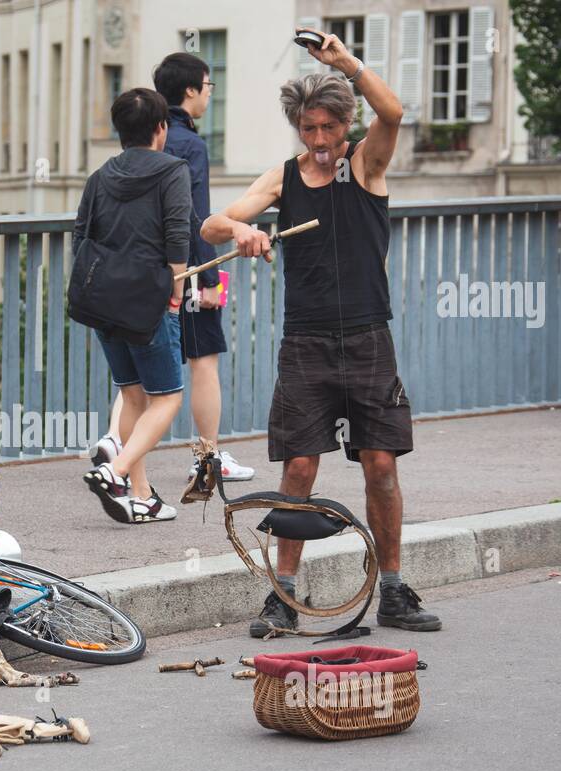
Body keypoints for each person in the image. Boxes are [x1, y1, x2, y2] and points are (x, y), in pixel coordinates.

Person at [202, 31, 440, 633]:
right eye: (308, 129)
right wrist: (240, 232)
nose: (319, 141)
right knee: (299, 469)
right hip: (305, 342)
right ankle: (283, 595)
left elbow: (395, 112)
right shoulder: (283, 178)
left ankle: (392, 588)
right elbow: (211, 224)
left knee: (381, 464)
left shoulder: (366, 163)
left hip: (367, 339)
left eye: (328, 128)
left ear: (344, 126)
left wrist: (347, 63)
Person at [89, 53, 256, 490]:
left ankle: (118, 451)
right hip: (178, 276)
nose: (209, 94)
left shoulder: (113, 165)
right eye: (208, 85)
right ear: (189, 91)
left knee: (133, 381)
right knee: (199, 364)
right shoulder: (188, 149)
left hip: (123, 284)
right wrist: (204, 280)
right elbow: (192, 220)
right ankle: (204, 458)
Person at [76, 88, 191, 522]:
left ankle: (141, 496)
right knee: (167, 398)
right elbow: (177, 233)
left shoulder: (100, 175)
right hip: (150, 298)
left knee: (132, 395)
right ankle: (117, 472)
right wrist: (176, 286)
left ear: (119, 130)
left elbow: (80, 235)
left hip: (104, 299)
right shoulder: (172, 170)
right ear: (161, 128)